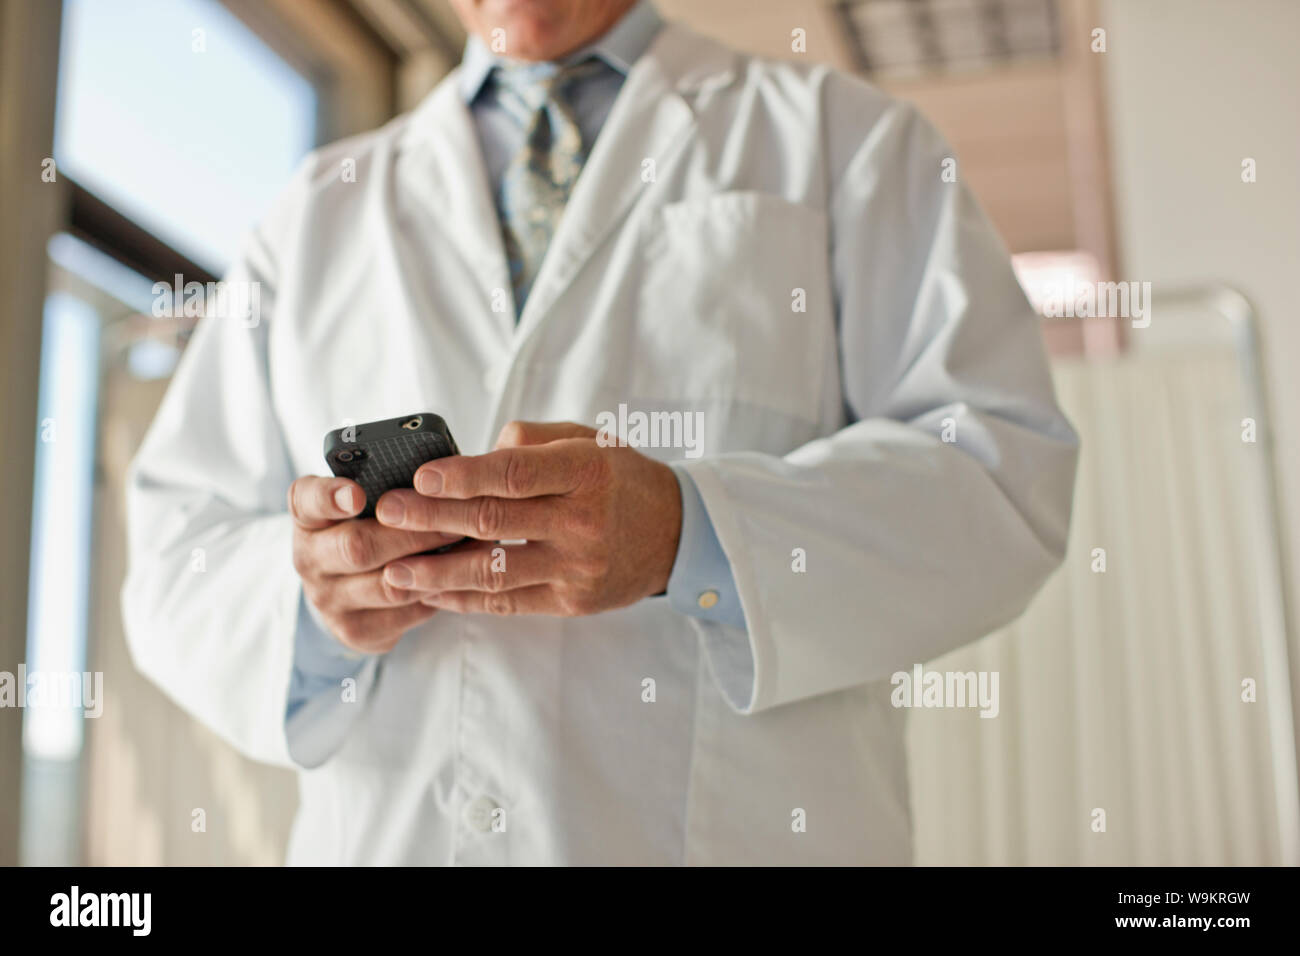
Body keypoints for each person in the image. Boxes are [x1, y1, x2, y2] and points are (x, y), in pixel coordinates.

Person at [122, 0, 1078, 864]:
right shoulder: (314, 210)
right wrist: (317, 603)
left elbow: (999, 474)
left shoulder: (849, 141)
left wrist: (689, 534)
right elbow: (177, 555)